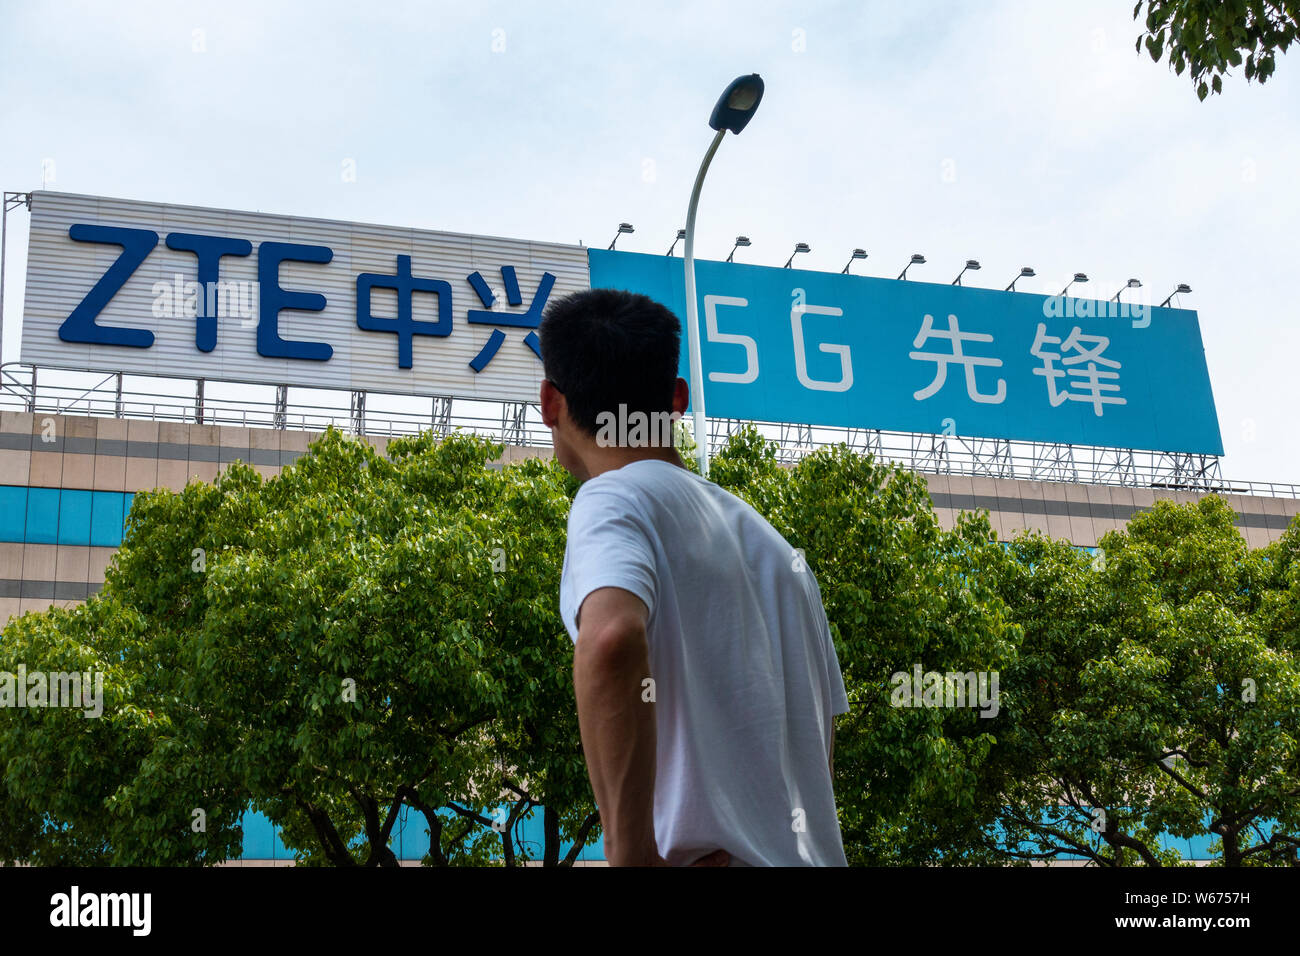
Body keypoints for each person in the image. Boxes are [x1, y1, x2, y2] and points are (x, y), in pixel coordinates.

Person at [537, 288, 850, 867]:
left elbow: (609, 640)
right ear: (676, 399)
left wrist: (630, 856)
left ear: (550, 402)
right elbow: (817, 750)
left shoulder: (612, 501)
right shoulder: (779, 551)